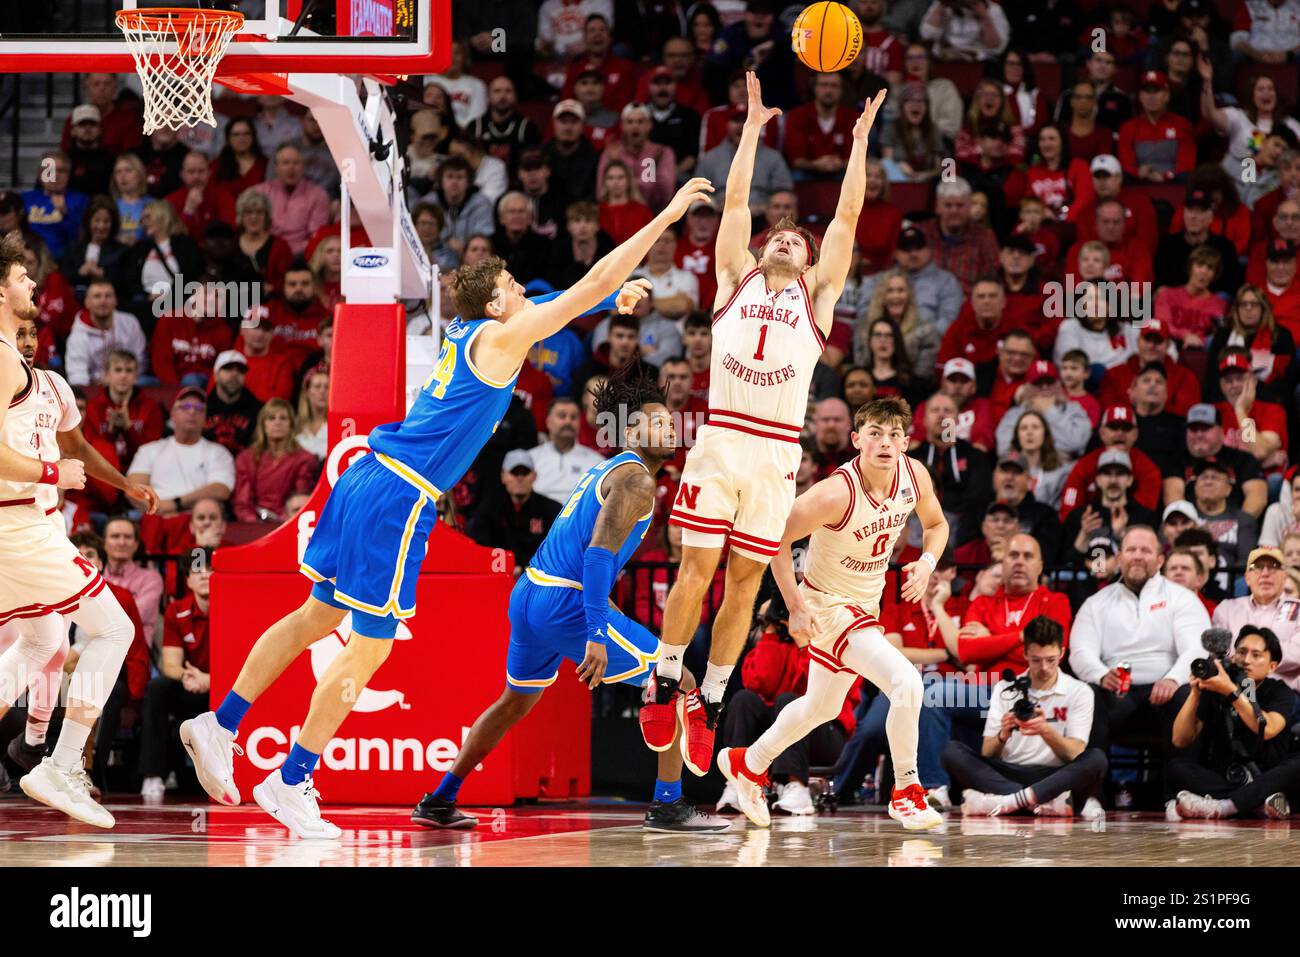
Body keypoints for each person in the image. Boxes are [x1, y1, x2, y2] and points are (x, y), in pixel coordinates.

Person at [181, 178, 714, 837]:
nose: (524, 295)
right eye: (515, 288)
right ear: (496, 303)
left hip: (365, 476)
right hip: (400, 495)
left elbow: (554, 300)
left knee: (314, 614)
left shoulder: (469, 330)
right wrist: (662, 215)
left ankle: (221, 723)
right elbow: (583, 286)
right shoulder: (501, 336)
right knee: (370, 649)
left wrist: (611, 296)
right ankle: (292, 778)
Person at [647, 77, 889, 779]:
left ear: (810, 265)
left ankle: (711, 699)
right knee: (695, 570)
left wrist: (860, 142)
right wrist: (750, 129)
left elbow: (846, 216)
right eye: (775, 236)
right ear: (760, 250)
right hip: (721, 441)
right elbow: (735, 200)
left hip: (778, 455)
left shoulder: (818, 299)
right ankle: (665, 682)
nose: (785, 240)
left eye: (796, 240)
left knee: (746, 585)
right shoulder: (733, 278)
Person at [418, 376, 727, 832]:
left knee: (513, 702)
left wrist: (606, 612)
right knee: (676, 678)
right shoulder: (638, 481)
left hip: (530, 596)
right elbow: (598, 553)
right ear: (630, 433)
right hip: (564, 600)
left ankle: (440, 799)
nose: (668, 429)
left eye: (669, 422)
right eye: (655, 423)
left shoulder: (611, 468)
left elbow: (584, 548)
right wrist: (597, 632)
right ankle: (668, 804)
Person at [717, 396, 948, 830]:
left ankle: (748, 763)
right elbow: (775, 539)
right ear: (857, 439)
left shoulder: (914, 475)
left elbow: (936, 525)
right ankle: (907, 791)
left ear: (905, 441)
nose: (885, 442)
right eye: (875, 433)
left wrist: (927, 562)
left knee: (821, 707)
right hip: (828, 606)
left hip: (865, 604)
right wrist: (795, 605)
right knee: (906, 683)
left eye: (894, 434)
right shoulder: (835, 492)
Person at [0, 234, 141, 827]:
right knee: (115, 630)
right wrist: (58, 471)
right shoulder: (4, 353)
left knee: (41, 642)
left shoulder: (29, 367)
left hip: (23, 524)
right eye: (22, 278)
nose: (34, 285)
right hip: (20, 525)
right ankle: (61, 763)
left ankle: (46, 755)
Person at [942, 615, 1105, 818]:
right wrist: (1002, 734)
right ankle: (1039, 803)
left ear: (1062, 653)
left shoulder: (1079, 691)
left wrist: (1045, 731)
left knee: (1096, 759)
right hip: (1008, 771)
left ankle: (1010, 802)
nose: (1044, 667)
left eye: (1051, 660)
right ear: (1025, 653)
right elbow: (988, 752)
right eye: (1036, 660)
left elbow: (1074, 754)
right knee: (951, 751)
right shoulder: (1005, 689)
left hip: (1055, 776)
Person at [717, 589, 862, 816]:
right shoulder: (772, 641)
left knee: (789, 701)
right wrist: (771, 633)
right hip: (777, 739)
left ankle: (798, 786)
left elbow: (820, 692)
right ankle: (738, 783)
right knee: (743, 699)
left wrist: (805, 644)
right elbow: (760, 684)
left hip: (825, 734)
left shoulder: (832, 641)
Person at [1069, 526, 1212, 755]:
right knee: (1087, 695)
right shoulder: (1095, 603)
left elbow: (1197, 648)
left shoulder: (1182, 598)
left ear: (1159, 560)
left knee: (1189, 695)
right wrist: (1101, 675)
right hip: (1115, 694)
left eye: (1145, 550)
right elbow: (1080, 651)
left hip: (1167, 693)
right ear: (1118, 558)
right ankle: (1092, 789)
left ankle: (1180, 788)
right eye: (1131, 549)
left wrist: (1173, 680)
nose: (1137, 555)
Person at [1169, 626, 1300, 819]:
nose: (1246, 660)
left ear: (1272, 666)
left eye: (1256, 655)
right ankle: (1255, 803)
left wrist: (1232, 692)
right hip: (1229, 776)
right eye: (1241, 652)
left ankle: (1225, 806)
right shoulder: (1217, 688)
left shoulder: (1281, 692)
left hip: (1270, 774)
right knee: (1176, 767)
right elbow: (1180, 739)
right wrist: (1196, 692)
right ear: (1232, 656)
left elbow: (1268, 729)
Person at [139, 549, 215, 802]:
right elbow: (170, 664)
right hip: (192, 687)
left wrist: (212, 680)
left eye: (210, 569)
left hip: (226, 690)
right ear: (188, 581)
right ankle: (153, 775)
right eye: (197, 570)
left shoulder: (236, 608)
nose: (204, 575)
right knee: (158, 688)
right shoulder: (176, 611)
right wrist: (190, 677)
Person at [126, 387, 236, 515]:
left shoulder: (219, 453)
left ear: (206, 417)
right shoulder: (149, 450)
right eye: (185, 406)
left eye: (199, 408)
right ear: (172, 414)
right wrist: (156, 508)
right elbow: (133, 488)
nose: (192, 411)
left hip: (198, 520)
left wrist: (175, 504)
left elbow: (220, 490)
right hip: (156, 517)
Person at [233, 399, 318, 523]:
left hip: (288, 523)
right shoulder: (246, 459)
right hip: (254, 525)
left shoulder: (305, 459)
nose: (277, 422)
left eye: (283, 418)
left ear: (291, 425)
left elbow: (300, 500)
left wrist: (280, 525)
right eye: (271, 418)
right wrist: (254, 523)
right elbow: (242, 503)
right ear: (263, 425)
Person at [63, 279, 148, 388]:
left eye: (108, 296)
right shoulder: (78, 336)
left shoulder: (130, 323)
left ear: (115, 301)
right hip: (95, 388)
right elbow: (77, 377)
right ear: (87, 302)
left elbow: (140, 360)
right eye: (97, 296)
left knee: (147, 382)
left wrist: (119, 379)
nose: (103, 301)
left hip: (128, 382)